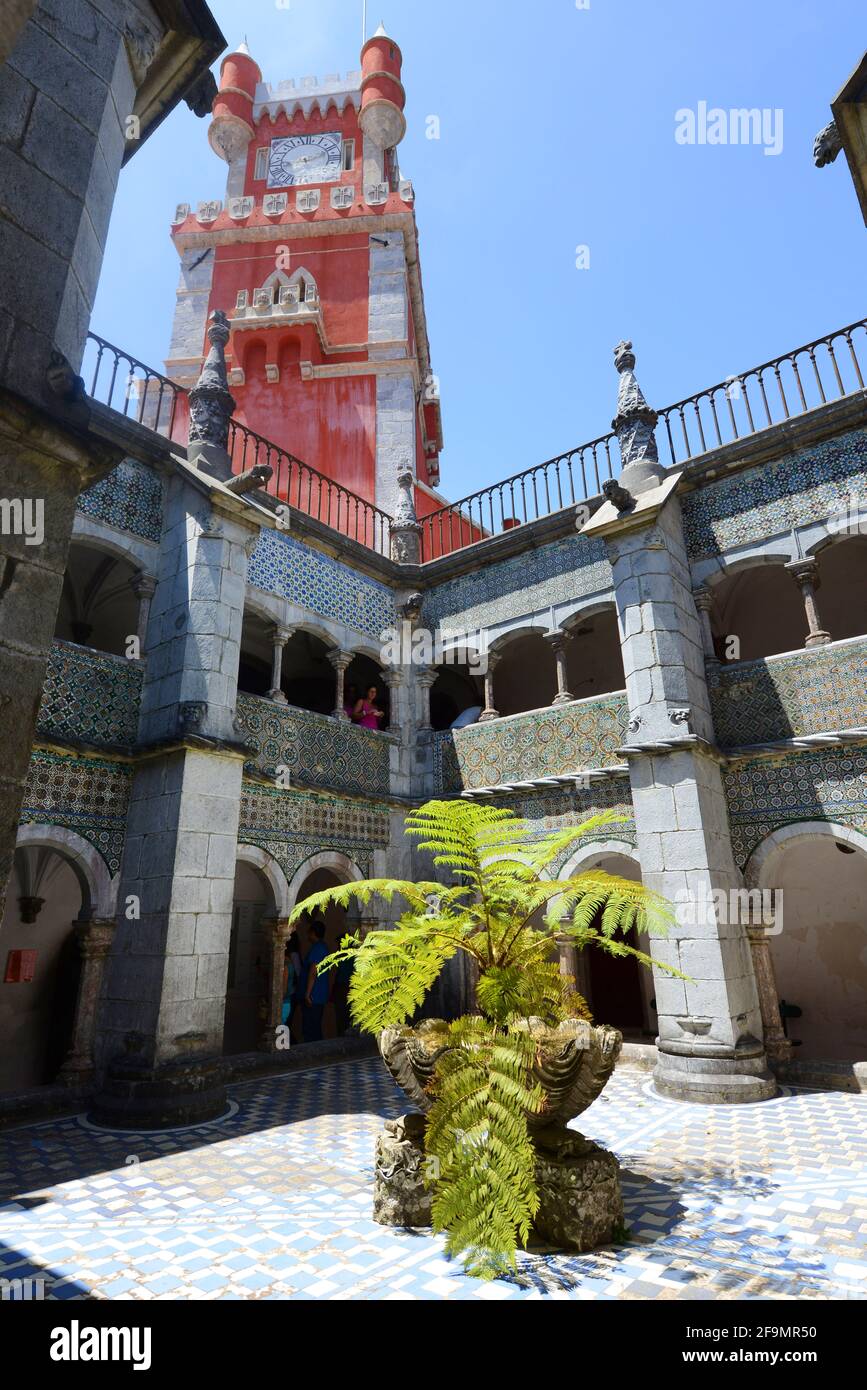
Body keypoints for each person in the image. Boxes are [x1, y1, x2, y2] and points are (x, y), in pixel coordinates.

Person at [302, 918, 330, 1044]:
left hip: (314, 995)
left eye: (309, 932)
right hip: (319, 994)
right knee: (314, 1026)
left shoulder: (318, 949)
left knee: (311, 1028)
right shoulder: (322, 947)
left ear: (313, 933)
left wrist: (307, 994)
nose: (308, 935)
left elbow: (313, 972)